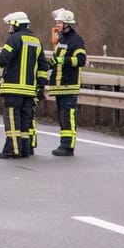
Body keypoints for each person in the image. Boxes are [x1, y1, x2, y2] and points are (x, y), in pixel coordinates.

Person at [0, 12, 51, 159]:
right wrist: (40, 86)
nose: (9, 28)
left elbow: (2, 60)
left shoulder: (14, 39)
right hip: (29, 91)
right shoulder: (36, 41)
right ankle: (25, 150)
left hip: (13, 89)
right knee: (24, 122)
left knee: (12, 121)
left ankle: (12, 150)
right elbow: (43, 67)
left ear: (16, 24)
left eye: (10, 25)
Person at [48, 8, 87, 156]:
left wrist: (63, 60)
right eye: (57, 22)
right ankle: (63, 144)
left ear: (67, 24)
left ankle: (68, 147)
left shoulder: (76, 40)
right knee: (62, 117)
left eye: (59, 22)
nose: (57, 25)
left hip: (69, 85)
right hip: (60, 86)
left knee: (68, 116)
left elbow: (81, 60)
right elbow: (56, 61)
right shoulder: (62, 40)